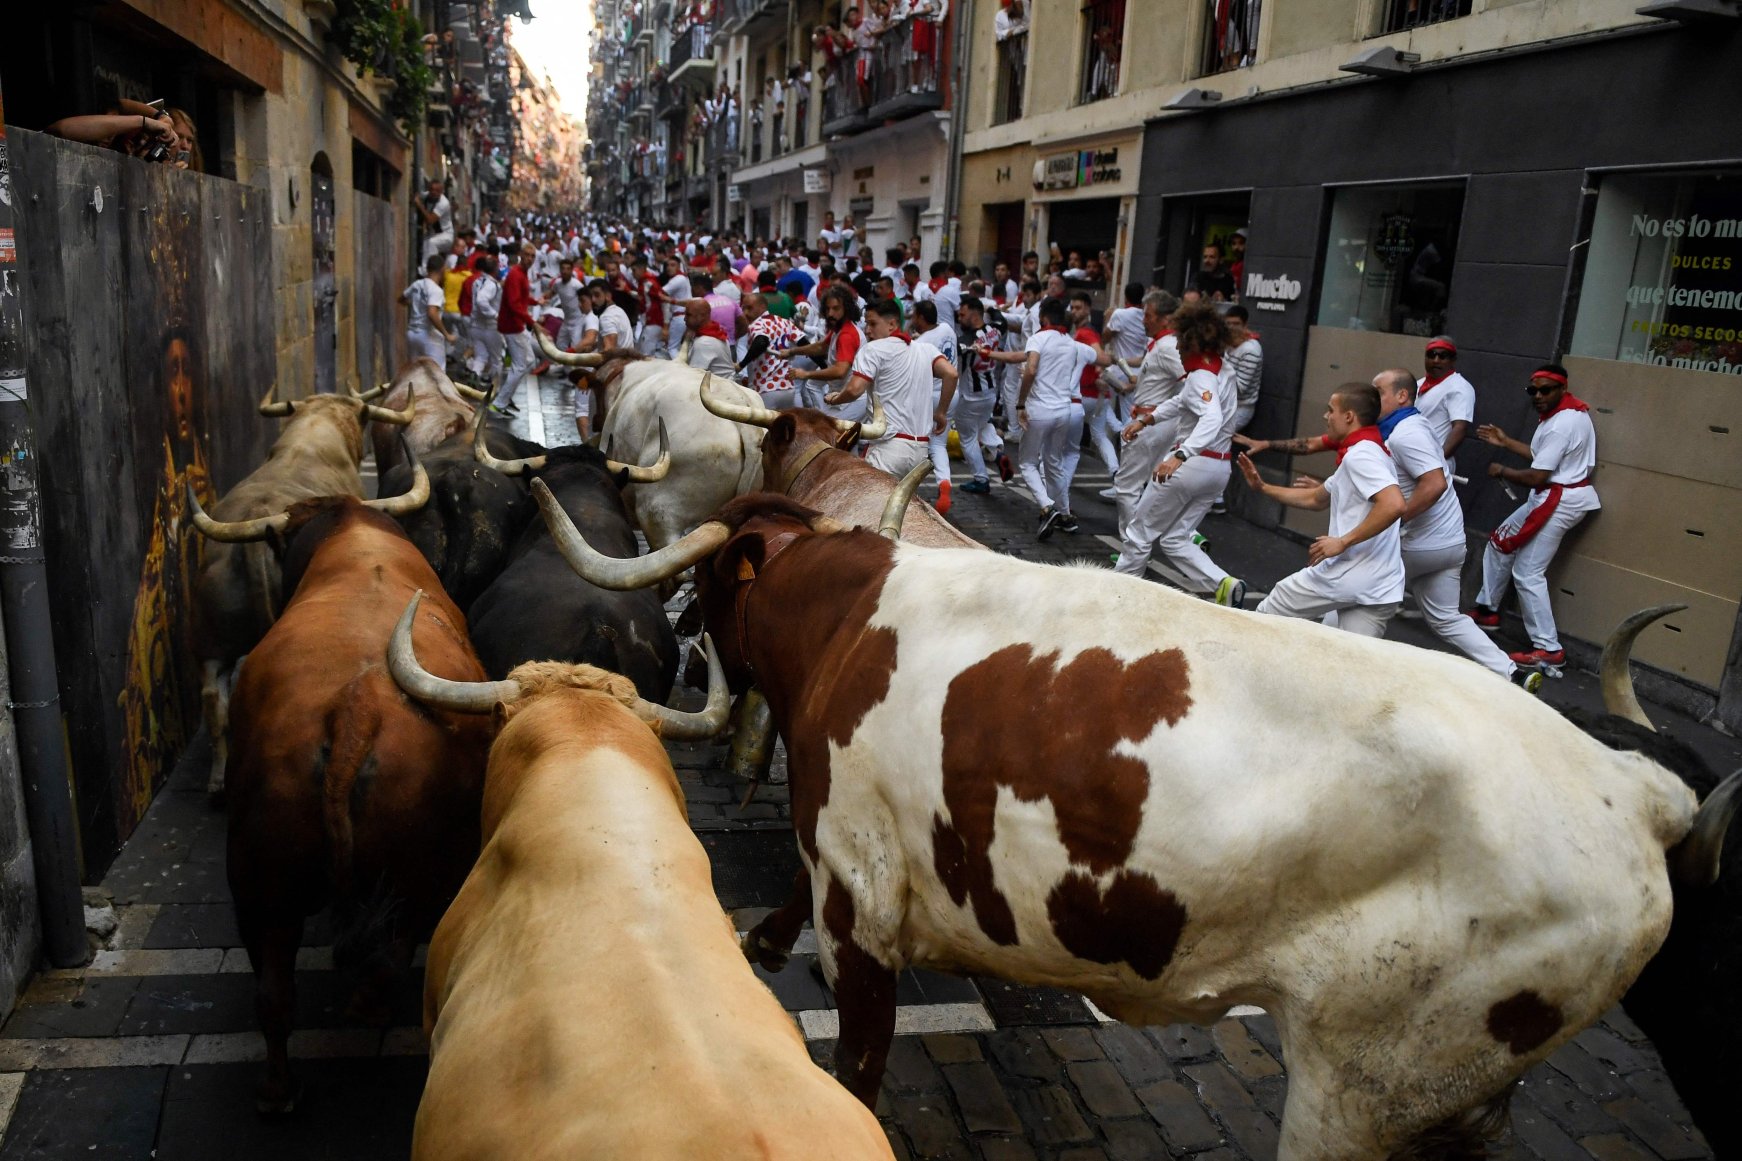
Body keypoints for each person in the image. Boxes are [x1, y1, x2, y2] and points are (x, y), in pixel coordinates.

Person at [1237, 370, 1540, 690]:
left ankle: (1268, 678)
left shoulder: (1398, 436)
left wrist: (1359, 533)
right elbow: (1320, 482)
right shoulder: (1380, 438)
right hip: (1445, 544)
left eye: (1378, 391)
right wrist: (1267, 484)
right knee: (1441, 619)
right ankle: (1512, 673)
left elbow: (1420, 490)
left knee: (1336, 598)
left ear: (1402, 397)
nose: (1372, 394)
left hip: (1423, 542)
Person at [1237, 382, 1406, 636]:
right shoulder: (1369, 451)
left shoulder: (1360, 455)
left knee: (1262, 621)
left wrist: (1343, 541)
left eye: (1331, 410)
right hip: (1380, 585)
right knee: (1349, 658)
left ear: (1348, 417)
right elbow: (1316, 498)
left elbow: (1394, 504)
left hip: (1347, 574)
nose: (1326, 416)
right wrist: (1263, 487)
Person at [1467, 364, 1600, 673]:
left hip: (1559, 500)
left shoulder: (1562, 424)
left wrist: (1502, 470)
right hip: (1553, 495)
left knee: (1528, 572)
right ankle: (1488, 609)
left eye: (1546, 390)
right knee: (1500, 541)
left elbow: (1537, 474)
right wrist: (1507, 442)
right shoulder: (1561, 415)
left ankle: (1549, 649)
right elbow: (1544, 457)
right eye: (1533, 390)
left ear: (1563, 390)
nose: (1538, 395)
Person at [1113, 301, 1243, 603]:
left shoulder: (1201, 378)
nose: (1179, 356)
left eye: (1182, 348)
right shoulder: (1223, 369)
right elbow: (1181, 402)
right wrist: (1147, 419)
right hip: (1219, 469)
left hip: (1191, 467)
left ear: (1192, 345)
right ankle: (1224, 584)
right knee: (1175, 538)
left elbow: (1211, 417)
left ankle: (1117, 596)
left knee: (1139, 533)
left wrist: (1179, 455)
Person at [978, 296, 1109, 538]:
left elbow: (1031, 367)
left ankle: (1047, 507)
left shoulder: (1039, 338)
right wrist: (989, 354)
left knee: (1028, 463)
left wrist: (1019, 404)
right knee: (1054, 463)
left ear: (1044, 318)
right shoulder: (1070, 343)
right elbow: (1021, 357)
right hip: (1063, 411)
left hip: (1039, 410)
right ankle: (1066, 514)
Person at [828, 298, 955, 476]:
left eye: (872, 324)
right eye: (866, 324)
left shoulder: (873, 349)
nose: (867, 330)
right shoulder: (925, 349)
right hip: (921, 452)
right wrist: (941, 412)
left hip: (889, 449)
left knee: (864, 501)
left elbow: (854, 390)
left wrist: (836, 398)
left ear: (892, 324)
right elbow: (951, 373)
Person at [1111, 290, 1183, 536]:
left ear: (1165, 319)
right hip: (1157, 420)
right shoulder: (1161, 345)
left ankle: (1132, 542)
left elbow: (1189, 381)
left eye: (1148, 315)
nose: (1144, 320)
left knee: (1126, 485)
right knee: (1153, 485)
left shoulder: (1168, 347)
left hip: (1151, 422)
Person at [948, 297, 1007, 496]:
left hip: (970, 397)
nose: (959, 318)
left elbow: (952, 353)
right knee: (982, 425)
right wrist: (993, 308)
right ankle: (997, 453)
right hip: (990, 393)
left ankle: (981, 479)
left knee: (968, 438)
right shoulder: (995, 329)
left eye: (963, 314)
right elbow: (1001, 319)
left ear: (974, 313)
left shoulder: (966, 340)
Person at [778, 284, 866, 418]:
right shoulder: (839, 329)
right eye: (828, 309)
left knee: (825, 432)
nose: (830, 313)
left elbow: (840, 371)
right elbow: (820, 347)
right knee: (812, 386)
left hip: (853, 400)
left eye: (836, 308)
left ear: (846, 309)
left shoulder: (847, 335)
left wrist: (806, 374)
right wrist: (792, 351)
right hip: (842, 397)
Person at [910, 300, 959, 513]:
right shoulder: (948, 329)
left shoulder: (922, 342)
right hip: (953, 393)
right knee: (938, 444)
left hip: (931, 395)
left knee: (919, 441)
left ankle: (910, 487)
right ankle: (944, 482)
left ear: (921, 317)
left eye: (914, 316)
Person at [1069, 291, 1120, 480]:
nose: (1074, 311)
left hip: (1084, 396)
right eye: (1072, 307)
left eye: (1078, 308)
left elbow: (1101, 356)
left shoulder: (1085, 332)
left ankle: (1058, 479)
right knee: (1099, 435)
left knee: (1067, 439)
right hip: (1098, 398)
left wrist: (1102, 365)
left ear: (1088, 309)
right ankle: (1115, 470)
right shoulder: (1086, 331)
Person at [493, 243, 539, 416]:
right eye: (527, 254)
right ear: (521, 254)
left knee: (527, 361)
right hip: (512, 326)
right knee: (522, 364)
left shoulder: (521, 274)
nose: (529, 258)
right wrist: (532, 322)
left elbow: (521, 298)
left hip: (515, 325)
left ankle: (505, 396)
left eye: (532, 256)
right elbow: (514, 305)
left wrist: (535, 302)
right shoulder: (516, 274)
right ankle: (499, 402)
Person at [1416, 336, 1476, 468]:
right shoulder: (1417, 385)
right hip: (1412, 461)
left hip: (1433, 466)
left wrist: (1437, 463)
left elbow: (1460, 428)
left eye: (1443, 356)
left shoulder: (1459, 387)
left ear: (1453, 360)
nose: (1436, 360)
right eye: (1431, 355)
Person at [742, 291, 806, 407]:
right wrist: (823, 365)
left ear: (762, 307)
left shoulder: (756, 325)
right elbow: (805, 344)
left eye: (749, 308)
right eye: (743, 309)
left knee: (763, 425)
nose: (745, 313)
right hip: (788, 389)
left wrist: (741, 365)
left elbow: (761, 342)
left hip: (765, 389)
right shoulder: (785, 322)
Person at [403, 254, 456, 364]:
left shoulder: (417, 284)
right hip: (429, 335)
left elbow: (402, 298)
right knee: (437, 375)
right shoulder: (436, 290)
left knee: (415, 371)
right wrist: (446, 334)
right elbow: (432, 313)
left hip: (412, 334)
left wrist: (416, 305)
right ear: (442, 269)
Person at [466, 252, 504, 387]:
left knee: (481, 356)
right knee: (496, 359)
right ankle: (495, 387)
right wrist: (494, 314)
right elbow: (482, 300)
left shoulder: (477, 282)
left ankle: (475, 375)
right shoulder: (492, 284)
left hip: (476, 325)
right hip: (491, 327)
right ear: (494, 270)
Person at [682, 299, 738, 379]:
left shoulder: (704, 342)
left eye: (688, 315)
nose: (684, 319)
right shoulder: (715, 333)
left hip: (718, 389)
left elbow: (694, 377)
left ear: (702, 316)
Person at [419, 179, 455, 262]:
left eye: (437, 190)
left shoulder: (443, 203)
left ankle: (428, 271)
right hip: (433, 234)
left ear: (442, 191)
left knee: (431, 243)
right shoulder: (427, 195)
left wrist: (420, 205)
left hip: (446, 235)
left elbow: (430, 220)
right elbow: (417, 196)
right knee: (425, 243)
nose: (434, 192)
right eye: (432, 190)